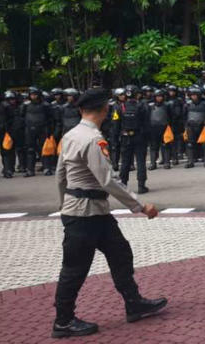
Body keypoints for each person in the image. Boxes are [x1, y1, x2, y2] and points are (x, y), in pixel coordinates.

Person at [52, 87, 166, 339]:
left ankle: (134, 303)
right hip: (85, 214)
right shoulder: (93, 139)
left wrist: (63, 204)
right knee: (74, 268)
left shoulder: (71, 135)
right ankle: (63, 321)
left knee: (120, 253)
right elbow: (108, 180)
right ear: (104, 110)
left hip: (92, 212)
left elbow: (60, 175)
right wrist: (140, 206)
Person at [114, 86, 150, 192]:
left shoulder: (120, 107)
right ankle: (141, 185)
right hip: (139, 136)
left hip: (125, 137)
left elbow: (115, 125)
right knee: (140, 161)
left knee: (125, 162)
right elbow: (147, 123)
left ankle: (123, 185)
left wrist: (115, 139)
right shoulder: (142, 106)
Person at [22, 86, 55, 176]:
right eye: (32, 94)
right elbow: (22, 117)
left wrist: (50, 130)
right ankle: (30, 170)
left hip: (43, 129)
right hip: (30, 129)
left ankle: (47, 168)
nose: (33, 96)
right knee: (30, 149)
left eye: (35, 94)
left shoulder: (45, 105)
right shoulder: (26, 105)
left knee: (44, 148)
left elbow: (50, 118)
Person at [147, 89, 173, 170]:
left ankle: (167, 162)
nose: (159, 98)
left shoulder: (167, 105)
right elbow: (147, 116)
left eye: (160, 96)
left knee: (166, 145)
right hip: (153, 128)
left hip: (164, 127)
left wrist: (170, 126)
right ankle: (153, 163)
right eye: (157, 96)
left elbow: (171, 116)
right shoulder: (150, 106)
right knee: (153, 146)